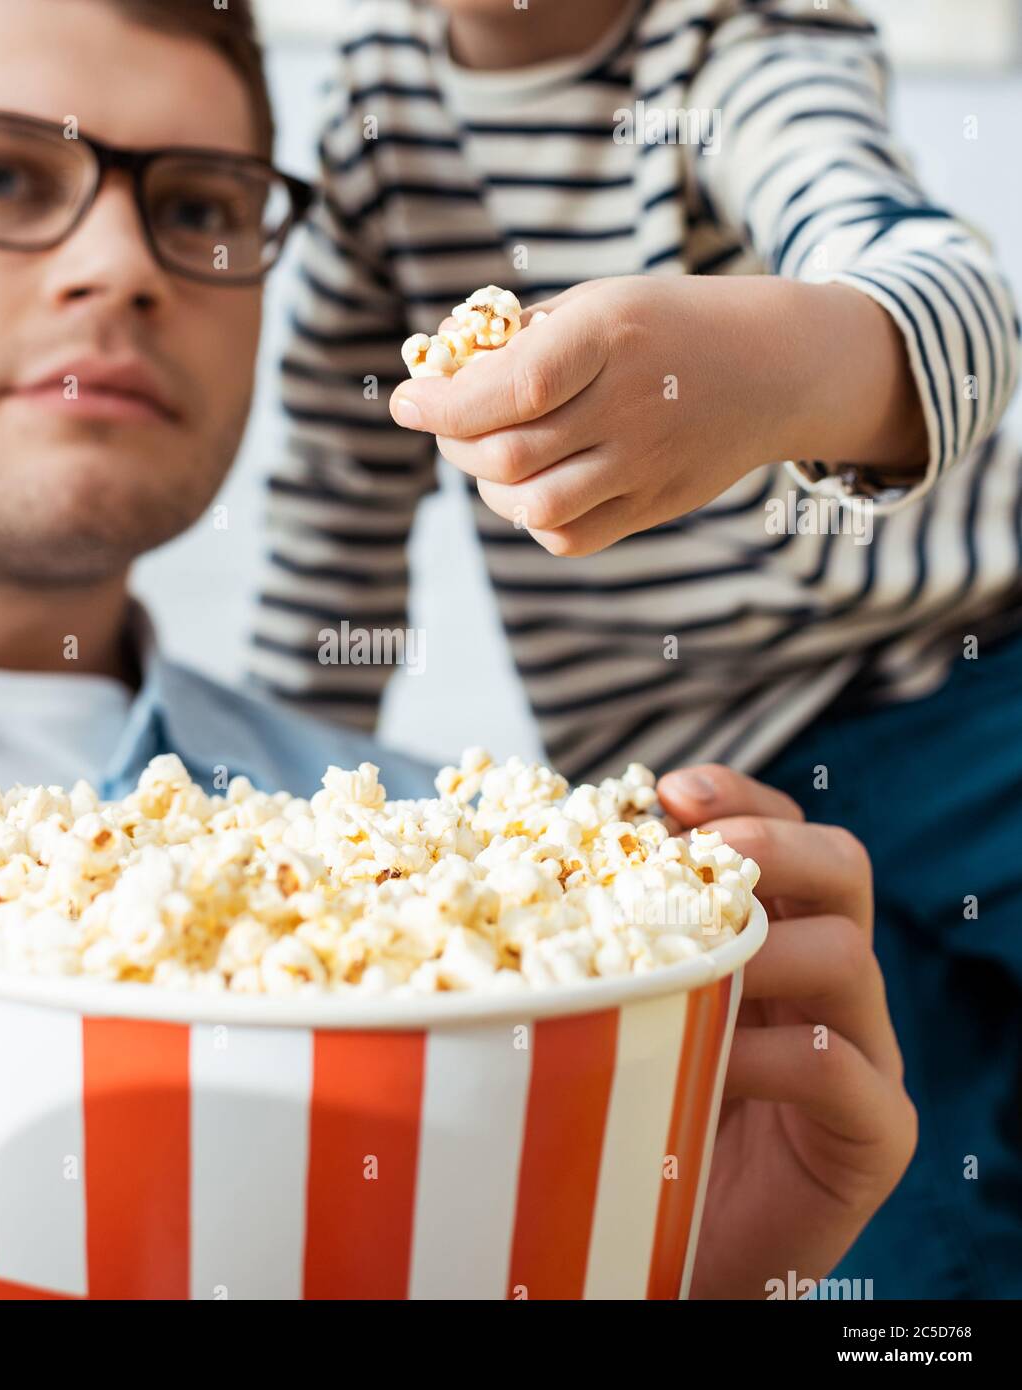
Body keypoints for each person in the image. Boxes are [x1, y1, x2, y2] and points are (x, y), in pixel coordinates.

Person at [0, 0, 911, 1300]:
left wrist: (663, 1265)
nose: (121, 264)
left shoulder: (460, 895)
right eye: (0, 175)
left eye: (197, 209)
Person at [246, 0, 1021, 1297]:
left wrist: (774, 371)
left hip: (972, 687)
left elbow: (952, 302)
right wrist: (272, 843)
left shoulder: (733, 39)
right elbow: (333, 515)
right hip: (715, 809)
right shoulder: (379, 120)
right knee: (892, 1232)